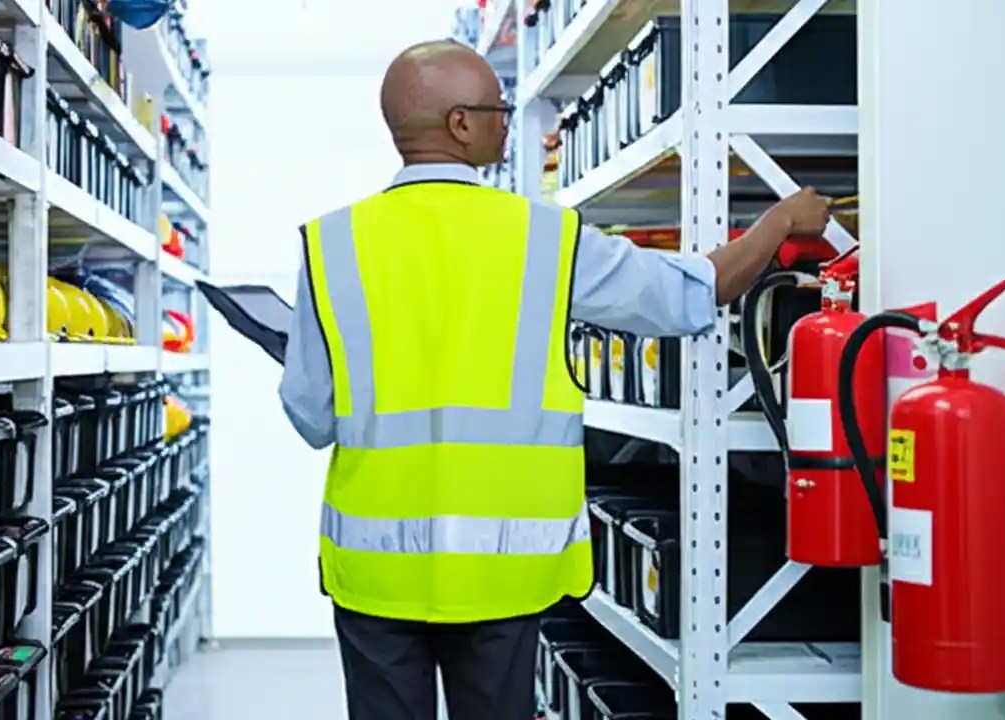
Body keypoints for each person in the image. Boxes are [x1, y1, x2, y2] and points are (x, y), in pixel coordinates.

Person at [278, 39, 831, 720]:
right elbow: (688, 295)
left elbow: (309, 415)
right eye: (497, 109)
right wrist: (781, 222)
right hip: (504, 573)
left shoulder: (332, 244)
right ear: (459, 124)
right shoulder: (542, 238)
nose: (507, 122)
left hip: (375, 572)